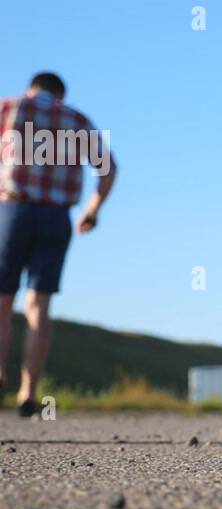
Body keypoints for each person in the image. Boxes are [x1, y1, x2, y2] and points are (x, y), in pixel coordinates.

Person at [0, 72, 117, 416]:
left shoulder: (9, 108)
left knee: (3, 300)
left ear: (32, 87)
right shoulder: (76, 120)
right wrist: (92, 210)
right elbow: (108, 169)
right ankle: (28, 393)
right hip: (56, 217)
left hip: (12, 211)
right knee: (39, 304)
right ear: (60, 95)